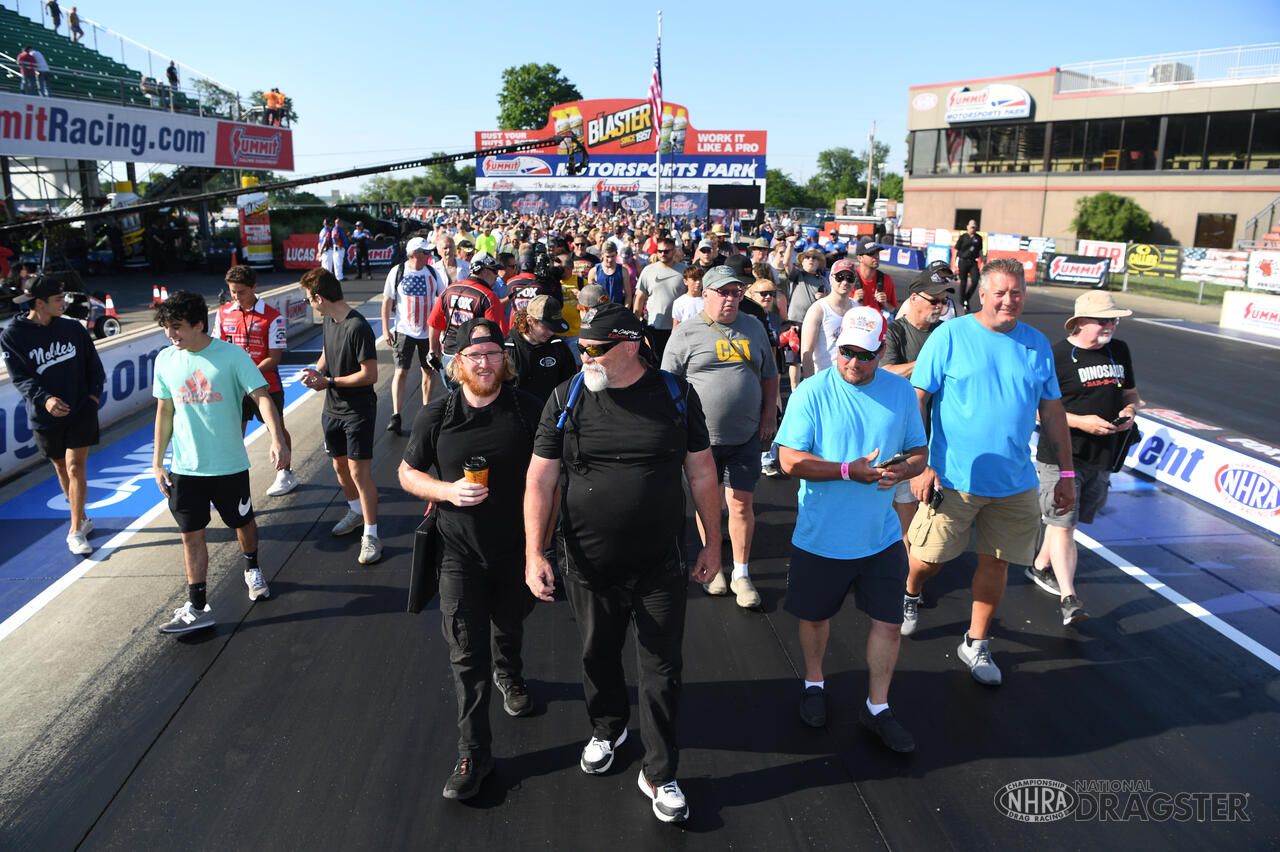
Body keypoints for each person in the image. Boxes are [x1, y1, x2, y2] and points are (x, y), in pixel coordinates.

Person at [524, 303, 722, 825]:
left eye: (595, 348)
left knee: (663, 667)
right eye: (582, 346)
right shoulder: (565, 398)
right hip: (587, 564)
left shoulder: (676, 395)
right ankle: (607, 728)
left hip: (661, 562)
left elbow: (702, 474)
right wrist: (532, 553)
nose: (584, 355)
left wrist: (714, 543)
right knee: (597, 654)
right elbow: (540, 479)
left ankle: (659, 772)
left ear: (630, 346)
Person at [902, 258, 1075, 685]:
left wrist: (1068, 477)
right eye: (999, 292)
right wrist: (919, 464)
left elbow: (1053, 414)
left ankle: (976, 642)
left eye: (1016, 292)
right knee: (927, 559)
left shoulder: (1036, 344)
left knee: (996, 565)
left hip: (1014, 484)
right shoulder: (950, 336)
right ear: (982, 294)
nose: (1008, 301)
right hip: (954, 478)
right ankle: (910, 593)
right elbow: (916, 401)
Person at [399, 318, 544, 801]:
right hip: (458, 552)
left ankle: (511, 671)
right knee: (465, 654)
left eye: (494, 354)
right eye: (475, 357)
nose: (485, 364)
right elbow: (406, 473)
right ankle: (474, 753)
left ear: (505, 360)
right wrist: (445, 491)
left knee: (509, 624)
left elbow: (553, 478)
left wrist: (540, 549)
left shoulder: (528, 411)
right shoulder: (436, 416)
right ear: (457, 364)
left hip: (515, 550)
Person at [776, 307, 927, 750]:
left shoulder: (900, 392)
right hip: (821, 536)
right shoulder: (811, 391)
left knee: (888, 623)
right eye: (846, 352)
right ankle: (815, 683)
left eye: (865, 355)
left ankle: (877, 707)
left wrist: (904, 471)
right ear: (836, 345)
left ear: (882, 351)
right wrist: (847, 470)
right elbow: (789, 460)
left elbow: (918, 450)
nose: (854, 362)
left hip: (880, 537)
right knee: (815, 617)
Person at [151, 291, 290, 633]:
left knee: (242, 523)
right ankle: (198, 606)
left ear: (199, 324)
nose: (172, 335)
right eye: (167, 328)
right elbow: (164, 411)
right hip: (185, 469)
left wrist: (276, 439)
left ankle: (251, 567)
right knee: (191, 536)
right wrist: (157, 462)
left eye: (178, 327)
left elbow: (262, 397)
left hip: (229, 466)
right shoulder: (166, 360)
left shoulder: (232, 356)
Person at [662, 266, 779, 610]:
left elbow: (770, 375)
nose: (731, 299)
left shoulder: (753, 327)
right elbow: (668, 383)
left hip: (745, 435)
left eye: (737, 293)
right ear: (707, 294)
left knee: (741, 504)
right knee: (708, 504)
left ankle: (741, 573)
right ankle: (714, 568)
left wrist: (769, 414)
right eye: (724, 292)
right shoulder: (686, 333)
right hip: (701, 441)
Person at [1028, 291, 1141, 626]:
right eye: (1103, 320)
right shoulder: (1056, 355)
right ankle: (1069, 598)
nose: (1111, 326)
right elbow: (1036, 409)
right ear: (1079, 323)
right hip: (1061, 457)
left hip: (1102, 455)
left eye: (1114, 320)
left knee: (1067, 522)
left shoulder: (1119, 350)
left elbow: (1130, 392)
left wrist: (1130, 410)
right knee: (1065, 526)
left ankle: (1037, 567)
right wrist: (1081, 422)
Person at [1, 275, 105, 556]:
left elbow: (94, 366)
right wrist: (45, 400)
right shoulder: (12, 335)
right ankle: (81, 517)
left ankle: (74, 531)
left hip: (81, 409)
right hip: (44, 415)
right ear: (39, 303)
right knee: (61, 467)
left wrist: (92, 398)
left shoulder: (73, 328)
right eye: (59, 299)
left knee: (75, 466)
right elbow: (21, 379)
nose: (65, 302)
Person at [297, 268, 382, 565]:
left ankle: (371, 534)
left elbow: (369, 374)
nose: (310, 304)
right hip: (332, 409)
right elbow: (326, 352)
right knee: (339, 467)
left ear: (319, 297)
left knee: (360, 473)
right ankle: (356, 512)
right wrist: (317, 370)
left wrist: (329, 382)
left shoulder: (357, 327)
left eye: (310, 299)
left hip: (357, 411)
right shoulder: (329, 320)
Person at [880, 267, 955, 541]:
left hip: (938, 433)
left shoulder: (946, 332)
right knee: (892, 502)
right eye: (934, 300)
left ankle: (908, 565)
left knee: (918, 506)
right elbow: (887, 370)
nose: (940, 306)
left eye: (944, 301)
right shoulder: (894, 330)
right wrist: (928, 364)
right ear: (913, 298)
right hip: (901, 434)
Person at [213, 265, 298, 497]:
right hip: (232, 388)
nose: (236, 297)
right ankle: (229, 480)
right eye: (232, 292)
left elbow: (275, 357)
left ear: (254, 287)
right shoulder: (222, 314)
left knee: (277, 429)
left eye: (241, 291)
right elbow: (215, 348)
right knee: (233, 433)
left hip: (267, 385)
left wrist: (247, 377)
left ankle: (286, 473)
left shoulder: (273, 317)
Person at [382, 236, 445, 436]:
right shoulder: (398, 272)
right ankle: (396, 415)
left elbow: (442, 301)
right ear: (416, 253)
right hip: (404, 330)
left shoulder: (433, 273)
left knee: (428, 371)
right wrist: (385, 329)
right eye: (426, 252)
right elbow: (387, 301)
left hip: (427, 332)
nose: (429, 255)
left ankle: (426, 411)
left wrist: (441, 332)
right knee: (401, 371)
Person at [428, 253, 508, 370]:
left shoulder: (449, 290)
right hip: (474, 361)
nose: (497, 276)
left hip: (449, 358)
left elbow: (434, 323)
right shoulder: (489, 297)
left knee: (454, 389)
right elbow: (499, 334)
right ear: (484, 271)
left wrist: (432, 350)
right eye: (495, 271)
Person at [505, 295, 575, 403]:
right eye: (546, 327)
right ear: (530, 320)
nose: (551, 332)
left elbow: (570, 385)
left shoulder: (558, 347)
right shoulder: (508, 350)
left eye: (554, 327)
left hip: (552, 416)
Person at [799, 258, 857, 381]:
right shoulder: (818, 310)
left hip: (851, 381)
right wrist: (810, 385)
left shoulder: (857, 308)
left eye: (849, 278)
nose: (845, 282)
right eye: (840, 277)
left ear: (855, 281)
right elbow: (806, 352)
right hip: (824, 379)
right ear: (830, 278)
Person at [632, 235, 685, 361]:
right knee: (654, 360)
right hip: (653, 326)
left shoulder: (684, 271)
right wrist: (635, 319)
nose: (662, 254)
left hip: (677, 328)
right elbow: (639, 296)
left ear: (674, 251)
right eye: (659, 251)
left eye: (666, 251)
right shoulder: (648, 270)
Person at [851, 237, 898, 313]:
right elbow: (840, 310)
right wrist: (854, 301)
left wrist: (885, 303)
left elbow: (892, 310)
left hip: (877, 322)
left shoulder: (886, 279)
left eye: (877, 253)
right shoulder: (849, 279)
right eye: (871, 254)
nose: (876, 256)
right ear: (860, 258)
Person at [587, 242, 632, 308]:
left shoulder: (623, 271)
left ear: (616, 254)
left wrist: (625, 310)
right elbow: (590, 296)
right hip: (600, 311)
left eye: (612, 256)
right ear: (602, 255)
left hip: (617, 310)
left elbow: (628, 294)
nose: (610, 260)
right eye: (607, 256)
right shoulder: (594, 271)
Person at [954, 220, 983, 313]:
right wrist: (954, 263)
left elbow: (980, 251)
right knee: (963, 282)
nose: (973, 229)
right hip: (963, 261)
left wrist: (982, 262)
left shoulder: (978, 238)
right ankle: (962, 302)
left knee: (975, 281)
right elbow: (956, 250)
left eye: (974, 227)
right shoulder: (963, 237)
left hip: (973, 262)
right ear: (967, 227)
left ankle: (967, 297)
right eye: (971, 227)